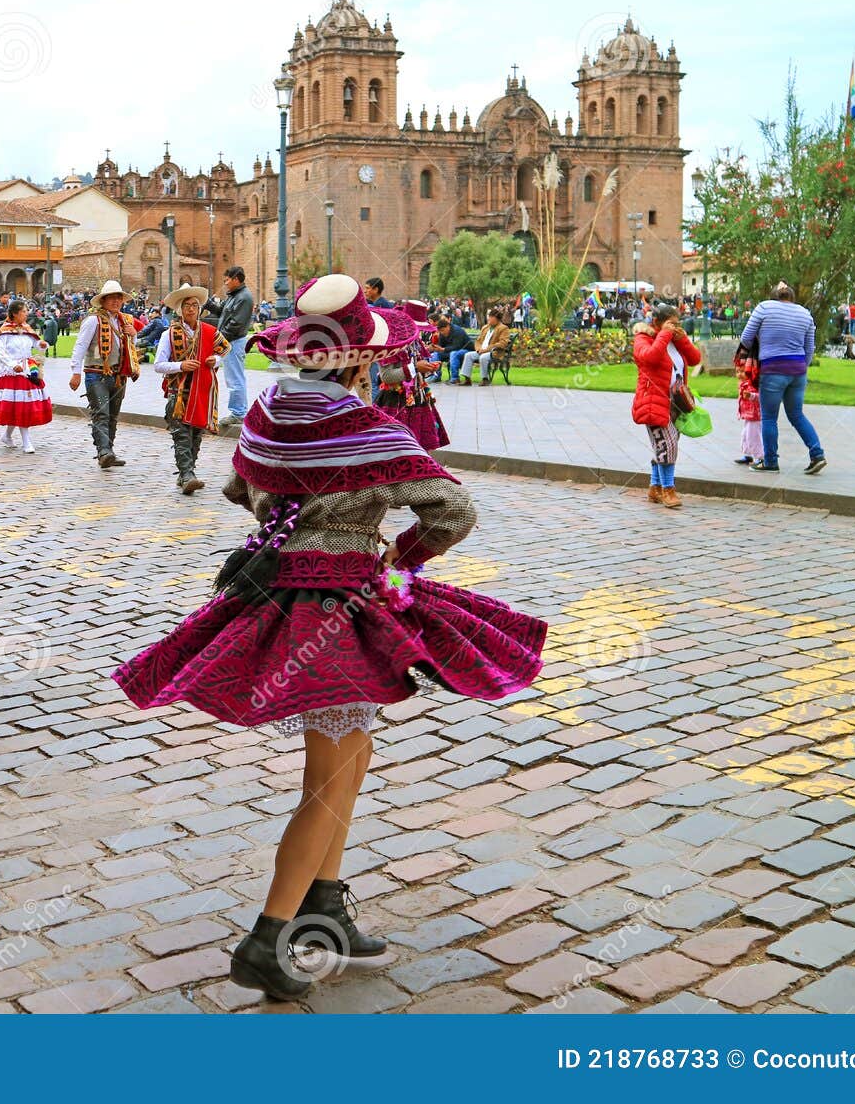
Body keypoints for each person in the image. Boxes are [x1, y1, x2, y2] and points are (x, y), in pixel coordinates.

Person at [114, 274, 546, 1000]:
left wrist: (292, 515)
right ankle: (268, 936)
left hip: (279, 598)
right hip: (342, 607)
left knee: (353, 749)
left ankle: (322, 903)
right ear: (356, 359)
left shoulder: (266, 411)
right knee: (330, 777)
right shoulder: (368, 429)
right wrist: (395, 560)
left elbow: (239, 488)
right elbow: (454, 513)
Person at [740, 282, 826, 474]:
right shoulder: (805, 313)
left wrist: (763, 343)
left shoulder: (763, 308)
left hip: (772, 368)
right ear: (792, 298)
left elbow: (745, 338)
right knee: (797, 414)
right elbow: (810, 347)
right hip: (798, 370)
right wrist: (803, 365)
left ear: (773, 297)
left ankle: (770, 462)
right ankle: (817, 454)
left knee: (769, 417)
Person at [155, 283, 229, 494]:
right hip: (179, 393)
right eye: (187, 305)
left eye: (195, 305)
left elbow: (223, 353)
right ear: (180, 309)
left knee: (196, 435)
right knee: (181, 435)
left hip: (203, 391)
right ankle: (188, 475)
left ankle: (186, 472)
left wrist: (215, 360)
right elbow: (159, 365)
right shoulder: (168, 334)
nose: (191, 309)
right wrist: (181, 365)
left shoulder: (209, 332)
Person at [631, 305, 703, 509]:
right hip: (654, 401)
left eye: (677, 323)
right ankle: (667, 490)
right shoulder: (642, 338)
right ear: (657, 322)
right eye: (671, 323)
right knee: (668, 444)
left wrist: (681, 338)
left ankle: (655, 487)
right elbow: (650, 358)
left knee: (664, 445)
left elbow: (695, 359)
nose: (675, 326)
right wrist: (664, 334)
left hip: (676, 403)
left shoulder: (674, 340)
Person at [69, 279, 139, 469]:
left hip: (118, 375)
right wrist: (75, 372)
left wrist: (133, 334)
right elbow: (80, 346)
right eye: (111, 298)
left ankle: (108, 451)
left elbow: (131, 348)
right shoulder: (93, 320)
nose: (116, 302)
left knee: (113, 416)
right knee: (101, 414)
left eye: (118, 298)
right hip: (96, 374)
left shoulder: (125, 321)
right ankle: (103, 451)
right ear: (103, 301)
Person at [375, 301, 449, 451]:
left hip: (417, 398)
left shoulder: (415, 341)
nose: (418, 331)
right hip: (395, 401)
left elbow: (416, 366)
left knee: (421, 447)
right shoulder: (391, 344)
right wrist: (415, 367)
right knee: (397, 448)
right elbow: (387, 376)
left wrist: (426, 368)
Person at [0, 300, 52, 454]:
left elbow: (35, 343)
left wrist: (42, 345)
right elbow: (0, 352)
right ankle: (26, 442)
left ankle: (7, 436)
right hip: (12, 373)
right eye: (24, 311)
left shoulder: (26, 329)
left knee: (19, 406)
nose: (26, 314)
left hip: (27, 369)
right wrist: (12, 365)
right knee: (21, 405)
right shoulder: (4, 332)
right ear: (15, 314)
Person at [217, 266, 254, 427]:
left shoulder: (244, 298)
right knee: (232, 378)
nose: (225, 283)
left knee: (235, 378)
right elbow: (223, 312)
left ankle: (238, 412)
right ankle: (238, 411)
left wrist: (219, 339)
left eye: (227, 280)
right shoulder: (236, 296)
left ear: (236, 279)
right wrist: (209, 304)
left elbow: (236, 324)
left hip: (234, 342)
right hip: (230, 342)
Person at [459, 308, 511, 386]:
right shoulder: (485, 327)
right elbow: (478, 341)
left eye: (490, 317)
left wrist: (487, 349)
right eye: (489, 316)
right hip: (481, 351)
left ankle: (485, 379)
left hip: (495, 352)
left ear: (496, 318)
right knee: (468, 355)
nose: (488, 319)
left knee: (483, 357)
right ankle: (467, 379)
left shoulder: (503, 328)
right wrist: (478, 349)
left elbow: (503, 343)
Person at [734, 338, 763, 465]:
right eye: (737, 372)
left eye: (742, 371)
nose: (739, 374)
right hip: (747, 415)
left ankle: (759, 456)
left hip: (755, 415)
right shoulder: (743, 384)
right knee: (745, 434)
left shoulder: (753, 383)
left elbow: (760, 397)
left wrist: (750, 395)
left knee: (753, 436)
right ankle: (747, 454)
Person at [429, 317, 471, 383]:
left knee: (453, 354)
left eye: (442, 330)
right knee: (436, 354)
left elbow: (457, 346)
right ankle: (436, 375)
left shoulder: (457, 331)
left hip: (464, 350)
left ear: (448, 326)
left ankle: (455, 378)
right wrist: (435, 348)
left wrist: (443, 349)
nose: (441, 333)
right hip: (449, 351)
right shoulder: (442, 333)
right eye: (440, 331)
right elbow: (441, 345)